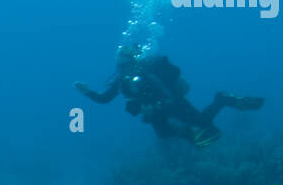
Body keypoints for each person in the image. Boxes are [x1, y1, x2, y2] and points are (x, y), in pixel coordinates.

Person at [75, 44, 264, 147]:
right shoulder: (121, 81)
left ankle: (221, 100)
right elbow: (104, 99)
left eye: (124, 65)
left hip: (172, 104)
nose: (121, 69)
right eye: (119, 66)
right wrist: (87, 91)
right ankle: (191, 134)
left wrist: (157, 105)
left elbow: (169, 95)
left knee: (203, 121)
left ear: (133, 63)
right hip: (154, 112)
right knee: (163, 134)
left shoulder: (148, 75)